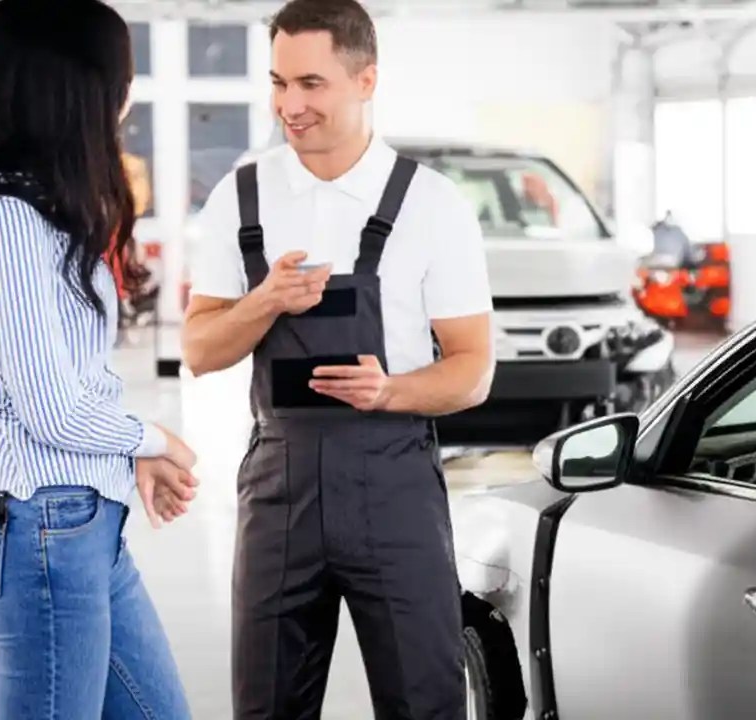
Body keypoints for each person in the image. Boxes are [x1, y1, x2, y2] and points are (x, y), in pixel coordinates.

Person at [181, 0, 495, 717]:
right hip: (278, 488)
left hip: (394, 487)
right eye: (279, 83)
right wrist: (265, 301)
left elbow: (474, 368)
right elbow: (198, 351)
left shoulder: (431, 203)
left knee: (425, 700)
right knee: (265, 704)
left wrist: (389, 392)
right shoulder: (242, 197)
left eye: (311, 84)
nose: (290, 105)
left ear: (365, 80)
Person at [0, 0, 199, 716]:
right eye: (123, 79)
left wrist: (128, 455)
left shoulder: (43, 214)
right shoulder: (6, 224)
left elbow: (72, 385)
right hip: (44, 536)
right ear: (77, 92)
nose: (127, 99)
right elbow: (51, 409)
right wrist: (154, 439)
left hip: (81, 528)